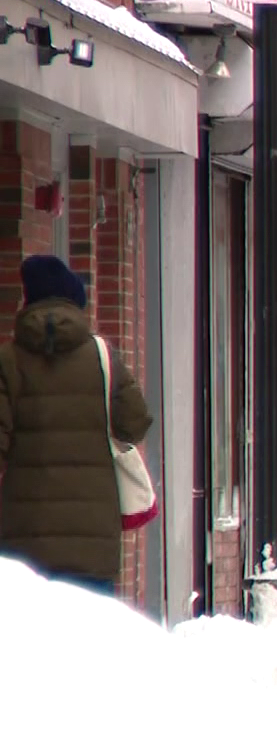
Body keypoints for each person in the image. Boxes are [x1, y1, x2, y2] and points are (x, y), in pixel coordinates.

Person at [0, 255, 152, 597]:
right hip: (92, 544)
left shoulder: (8, 361)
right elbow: (135, 423)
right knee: (87, 645)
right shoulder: (102, 356)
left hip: (25, 543)